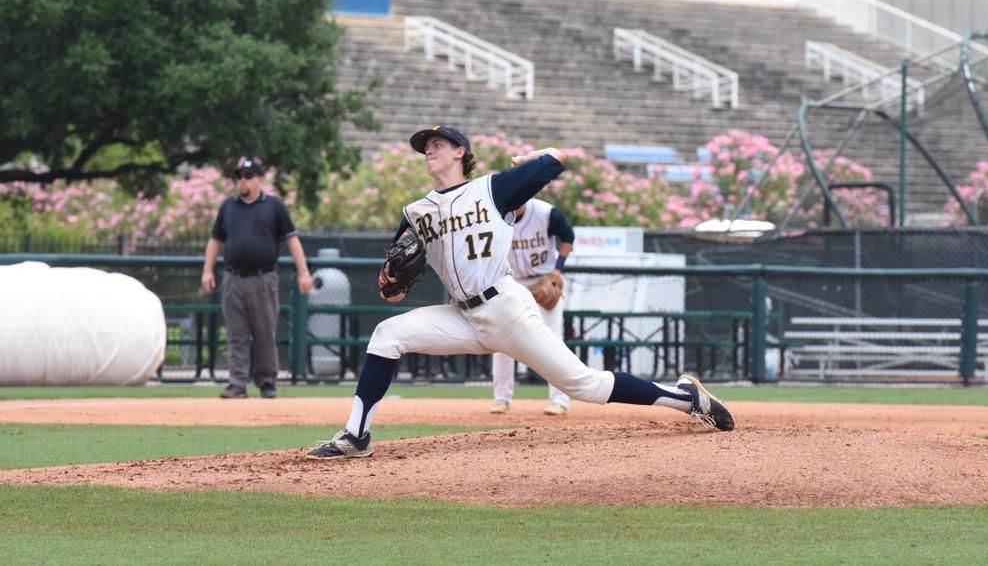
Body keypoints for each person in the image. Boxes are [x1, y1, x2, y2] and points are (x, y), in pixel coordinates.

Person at [305, 126, 734, 460]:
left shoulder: (493, 189)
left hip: (506, 308)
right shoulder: (415, 212)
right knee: (386, 334)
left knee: (583, 385)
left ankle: (685, 398)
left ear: (460, 153)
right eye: (425, 147)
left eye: (438, 143)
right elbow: (393, 289)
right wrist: (390, 282)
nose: (429, 150)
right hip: (460, 316)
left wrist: (527, 159)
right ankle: (356, 435)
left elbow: (556, 162)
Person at [201, 156, 313, 399]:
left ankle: (266, 381)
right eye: (239, 176)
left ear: (260, 179)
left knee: (264, 332)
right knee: (236, 334)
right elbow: (215, 239)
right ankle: (237, 383)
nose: (243, 181)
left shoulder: (274, 206)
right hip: (233, 277)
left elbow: (292, 238)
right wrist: (207, 270)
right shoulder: (228, 206)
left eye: (248, 176)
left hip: (263, 278)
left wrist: (303, 272)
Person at [490, 197, 574, 416]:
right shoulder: (495, 212)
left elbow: (568, 237)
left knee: (553, 340)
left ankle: (560, 400)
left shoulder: (546, 213)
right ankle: (501, 398)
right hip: (511, 282)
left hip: (543, 279)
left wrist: (557, 269)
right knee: (501, 341)